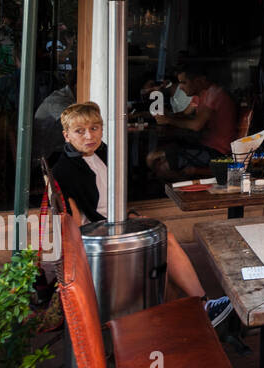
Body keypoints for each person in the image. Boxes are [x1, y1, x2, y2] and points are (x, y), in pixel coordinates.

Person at [48, 102, 232, 326]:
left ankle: (184, 312)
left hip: (116, 224)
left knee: (161, 244)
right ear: (67, 136)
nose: (89, 136)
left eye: (95, 128)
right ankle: (202, 306)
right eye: (80, 131)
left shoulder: (102, 152)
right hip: (95, 239)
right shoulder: (64, 170)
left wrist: (130, 216)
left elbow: (111, 200)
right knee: (165, 241)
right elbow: (73, 222)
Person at [147, 62, 238, 179]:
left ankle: (184, 192)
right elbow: (184, 114)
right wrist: (167, 115)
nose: (180, 87)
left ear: (199, 81)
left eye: (184, 82)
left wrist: (169, 120)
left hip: (218, 152)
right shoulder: (199, 95)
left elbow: (196, 125)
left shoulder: (214, 93)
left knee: (156, 161)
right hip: (205, 146)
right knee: (155, 156)